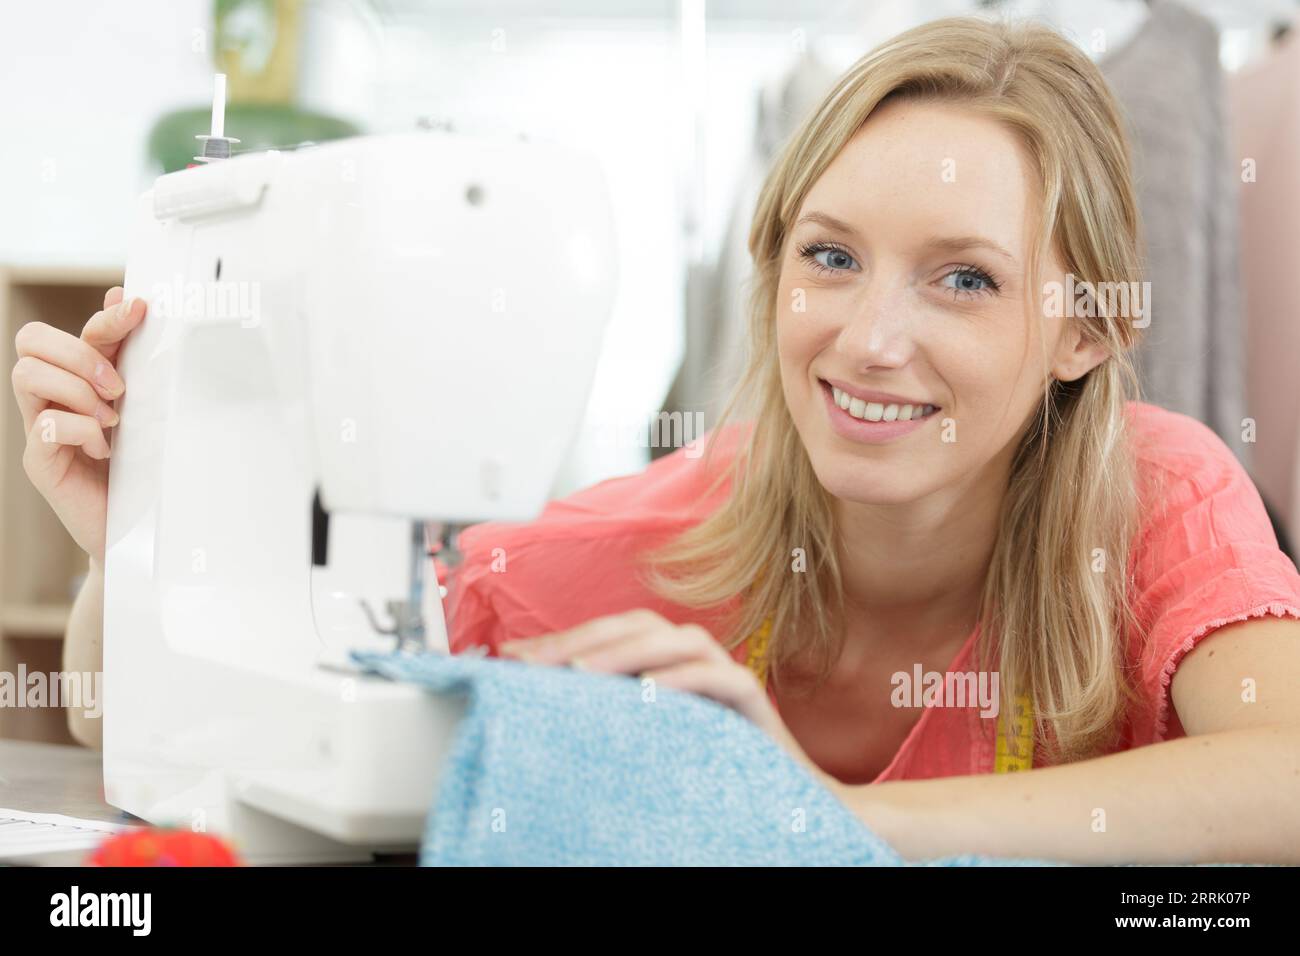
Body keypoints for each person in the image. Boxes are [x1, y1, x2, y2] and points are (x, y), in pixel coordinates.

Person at [17, 16, 1300, 864]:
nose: (866, 337)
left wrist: (815, 818)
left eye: (963, 279)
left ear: (1085, 331)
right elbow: (115, 715)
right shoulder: (650, 547)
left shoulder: (1153, 492)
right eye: (830, 257)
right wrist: (128, 536)